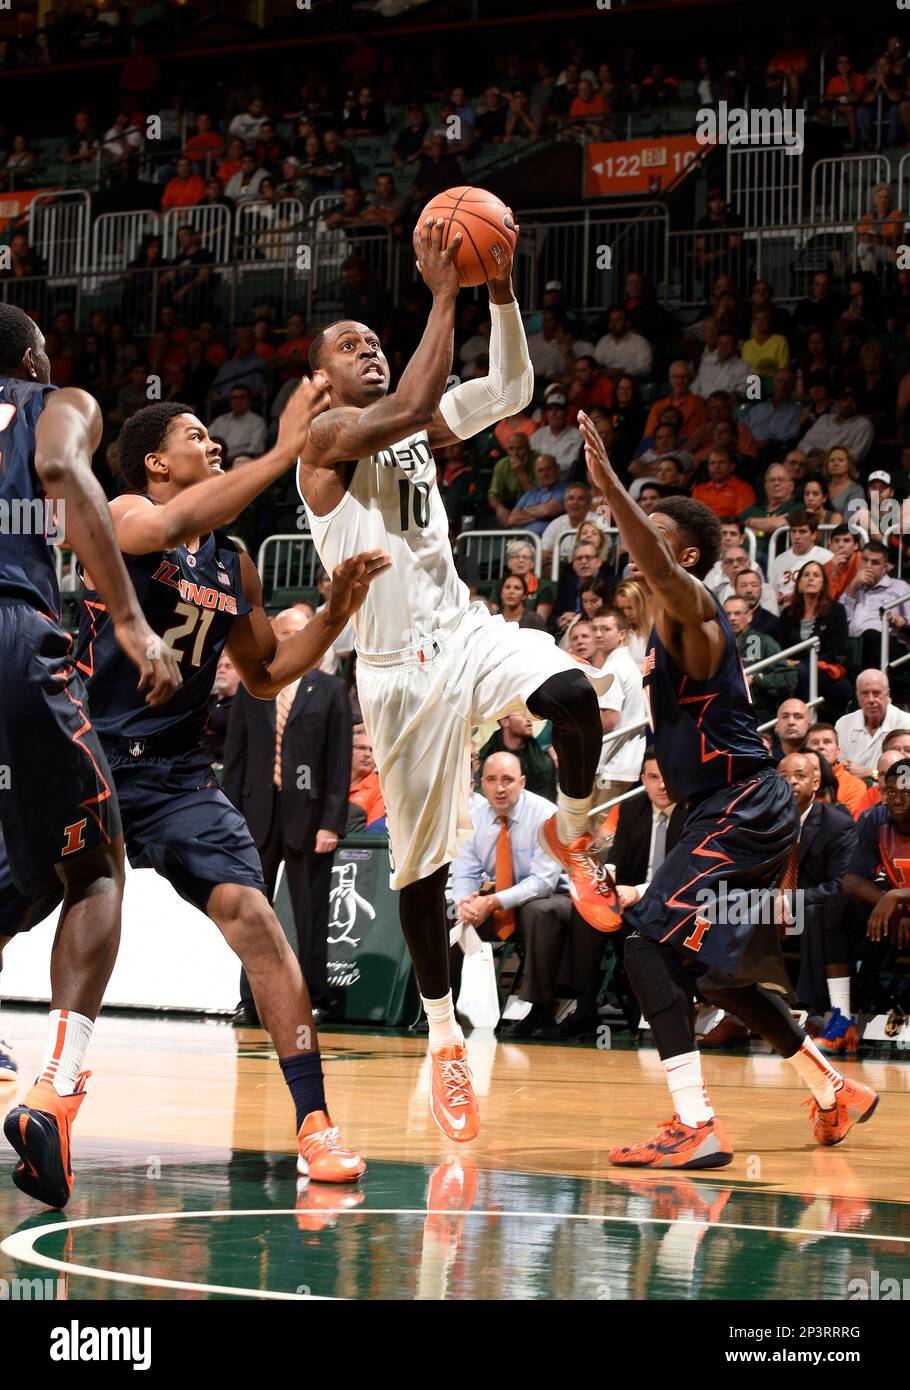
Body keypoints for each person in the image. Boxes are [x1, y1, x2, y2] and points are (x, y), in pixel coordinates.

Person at [296, 219, 616, 1144]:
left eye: (376, 342)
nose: (370, 350)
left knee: (573, 697)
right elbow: (401, 410)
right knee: (421, 871)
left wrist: (501, 291)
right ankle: (442, 1040)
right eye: (351, 346)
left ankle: (574, 826)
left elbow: (512, 387)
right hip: (396, 680)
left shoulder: (415, 419)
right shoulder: (330, 437)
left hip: (466, 633)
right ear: (322, 381)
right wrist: (444, 292)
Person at [68, 387, 389, 1185]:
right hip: (89, 759)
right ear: (154, 459)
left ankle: (314, 1121)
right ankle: (56, 1090)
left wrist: (336, 614)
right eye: (196, 436)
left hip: (176, 775)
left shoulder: (234, 559)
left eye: (217, 438)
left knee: (254, 917)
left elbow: (265, 674)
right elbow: (167, 527)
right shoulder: (125, 511)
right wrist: (281, 454)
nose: (212, 446)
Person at [577, 407, 877, 1167]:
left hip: (742, 803)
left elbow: (666, 567)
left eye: (643, 531)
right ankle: (831, 1088)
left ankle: (696, 1122)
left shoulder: (695, 610)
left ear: (676, 552)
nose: (627, 543)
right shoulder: (658, 631)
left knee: (642, 939)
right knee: (712, 972)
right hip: (723, 809)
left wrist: (612, 486)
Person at [0, 304, 180, 1209]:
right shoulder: (52, 398)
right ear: (32, 356)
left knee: (29, 866)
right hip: (13, 635)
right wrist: (134, 622)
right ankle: (56, 1091)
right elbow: (66, 470)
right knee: (97, 865)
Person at [223, 608, 353, 1021]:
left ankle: (314, 996)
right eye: (285, 634)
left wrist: (332, 822)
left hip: (310, 818)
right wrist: (228, 819)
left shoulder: (331, 690)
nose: (293, 640)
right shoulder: (252, 687)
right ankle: (252, 999)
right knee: (251, 911)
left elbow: (339, 763)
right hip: (255, 816)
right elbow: (235, 758)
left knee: (310, 912)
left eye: (301, 633)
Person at [451, 753, 598, 1038]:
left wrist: (492, 901)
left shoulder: (546, 815)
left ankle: (540, 1011)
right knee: (447, 916)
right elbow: (465, 872)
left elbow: (543, 882)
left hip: (560, 898)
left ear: (522, 782)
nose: (500, 788)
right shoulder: (473, 818)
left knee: (538, 911)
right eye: (492, 780)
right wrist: (464, 902)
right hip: (503, 898)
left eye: (507, 780)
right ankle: (444, 1011)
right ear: (481, 783)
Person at [816, 759, 910, 1053]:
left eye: (904, 792)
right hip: (894, 920)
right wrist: (889, 902)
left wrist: (898, 896)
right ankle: (842, 1020)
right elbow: (852, 879)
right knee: (836, 904)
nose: (895, 798)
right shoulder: (874, 818)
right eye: (889, 791)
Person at [723, 595, 796, 727]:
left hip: (757, 713)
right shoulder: (716, 644)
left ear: (749, 616)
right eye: (727, 614)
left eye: (738, 613)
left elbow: (788, 678)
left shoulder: (763, 643)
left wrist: (756, 679)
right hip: (724, 710)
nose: (732, 618)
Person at [836, 670, 910, 781]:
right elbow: (840, 766)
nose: (871, 700)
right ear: (857, 696)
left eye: (876, 693)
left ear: (887, 694)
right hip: (851, 790)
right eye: (865, 693)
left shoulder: (905, 722)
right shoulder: (844, 724)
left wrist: (870, 772)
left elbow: (906, 771)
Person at [478, 713, 556, 802]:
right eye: (522, 713)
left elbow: (548, 803)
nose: (529, 719)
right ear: (504, 721)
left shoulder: (543, 762)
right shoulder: (485, 759)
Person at [803, 724, 868, 818]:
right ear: (805, 751)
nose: (821, 746)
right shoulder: (797, 782)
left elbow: (848, 824)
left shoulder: (856, 785)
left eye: (827, 742)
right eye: (815, 742)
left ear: (838, 751)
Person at [348, 726, 385, 828]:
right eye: (361, 748)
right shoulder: (331, 780)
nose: (368, 754)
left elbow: (373, 831)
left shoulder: (381, 788)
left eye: (372, 750)